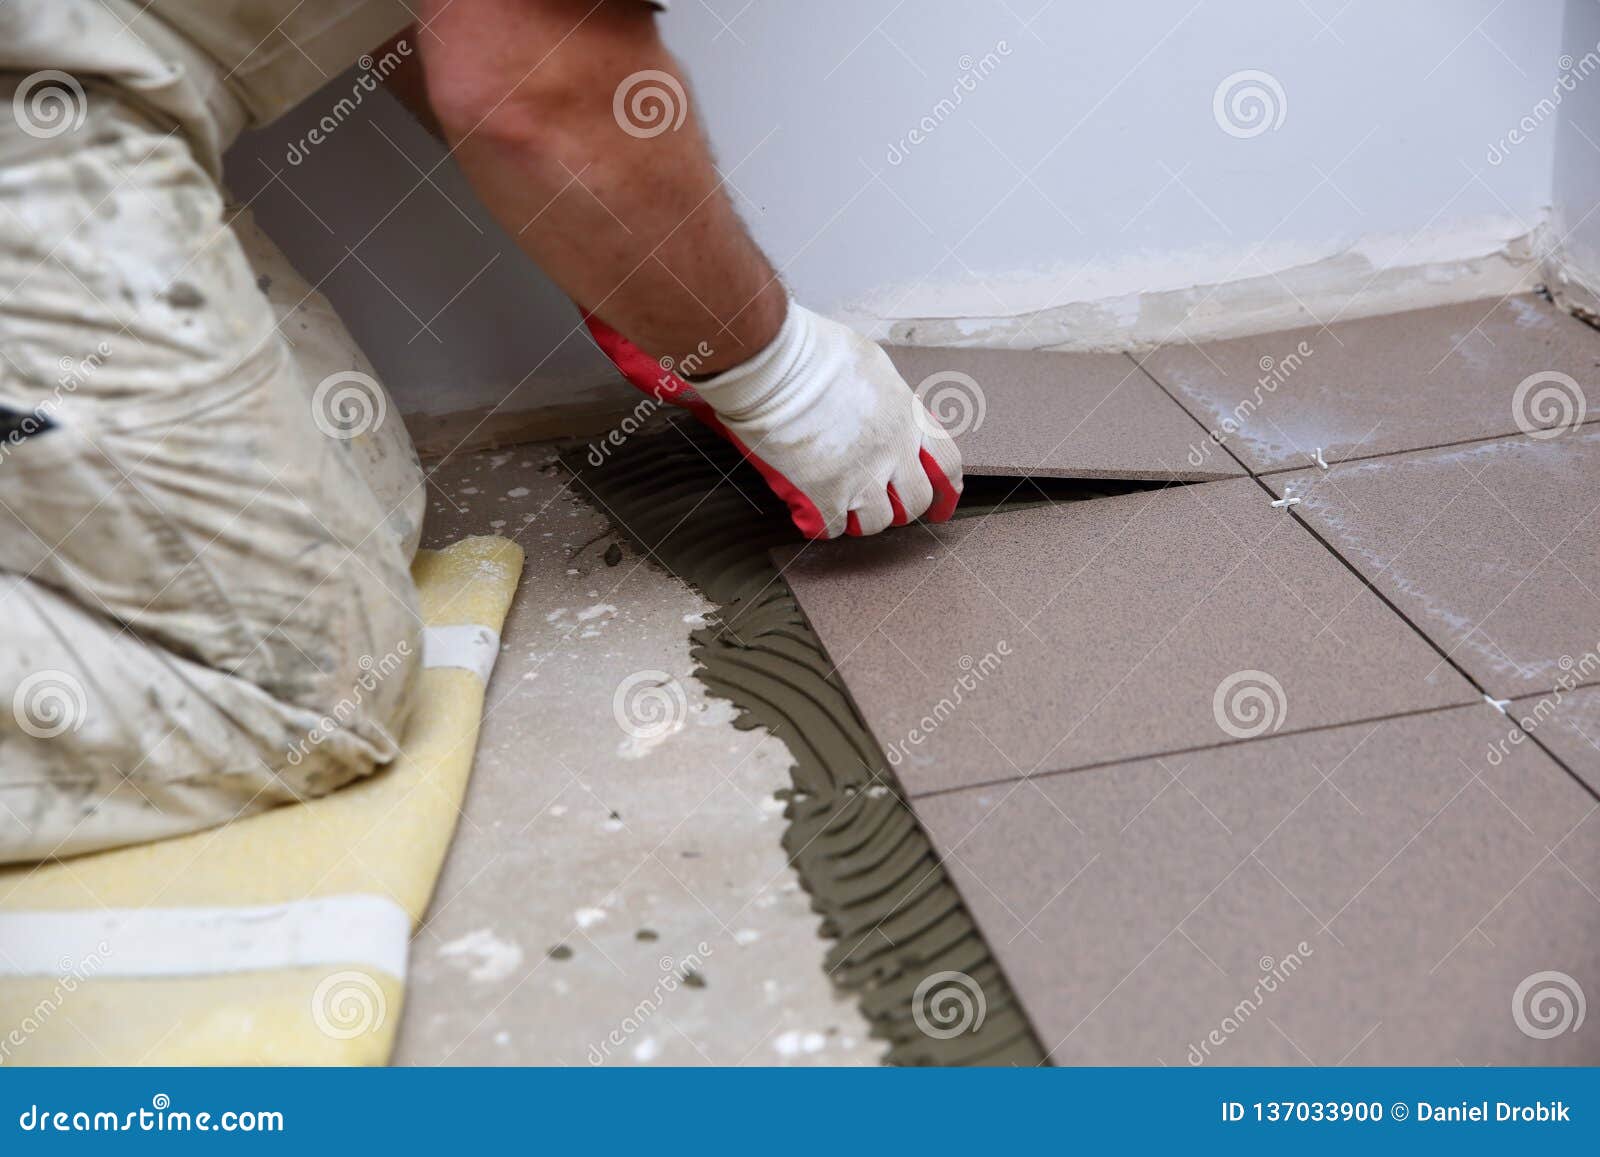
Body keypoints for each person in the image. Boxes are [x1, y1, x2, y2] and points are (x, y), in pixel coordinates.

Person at [0, 0, 963, 864]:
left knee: (369, 492)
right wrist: (780, 374)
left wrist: (648, 272)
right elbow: (534, 87)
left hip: (86, 104)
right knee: (313, 687)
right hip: (35, 127)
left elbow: (454, 32)